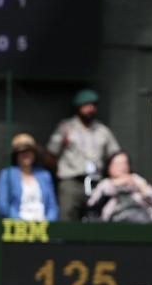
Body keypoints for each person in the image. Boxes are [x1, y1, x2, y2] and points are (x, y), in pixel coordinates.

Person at [47, 90, 122, 222]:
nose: (90, 109)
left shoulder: (102, 130)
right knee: (67, 216)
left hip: (96, 181)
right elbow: (50, 153)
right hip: (71, 181)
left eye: (93, 105)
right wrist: (58, 173)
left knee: (98, 218)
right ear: (79, 106)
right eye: (87, 105)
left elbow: (115, 155)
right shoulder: (66, 127)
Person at [0, 133, 59, 223]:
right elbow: (3, 205)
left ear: (34, 153)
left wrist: (48, 222)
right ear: (15, 155)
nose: (26, 155)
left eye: (29, 151)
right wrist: (20, 222)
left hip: (43, 225)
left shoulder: (44, 175)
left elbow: (52, 206)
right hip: (18, 225)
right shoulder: (7, 174)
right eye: (21, 152)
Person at [88, 151, 152, 224]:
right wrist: (116, 183)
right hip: (115, 222)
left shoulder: (136, 179)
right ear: (109, 167)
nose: (122, 167)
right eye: (117, 164)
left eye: (124, 163)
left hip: (143, 220)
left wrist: (141, 186)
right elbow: (91, 203)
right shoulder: (105, 183)